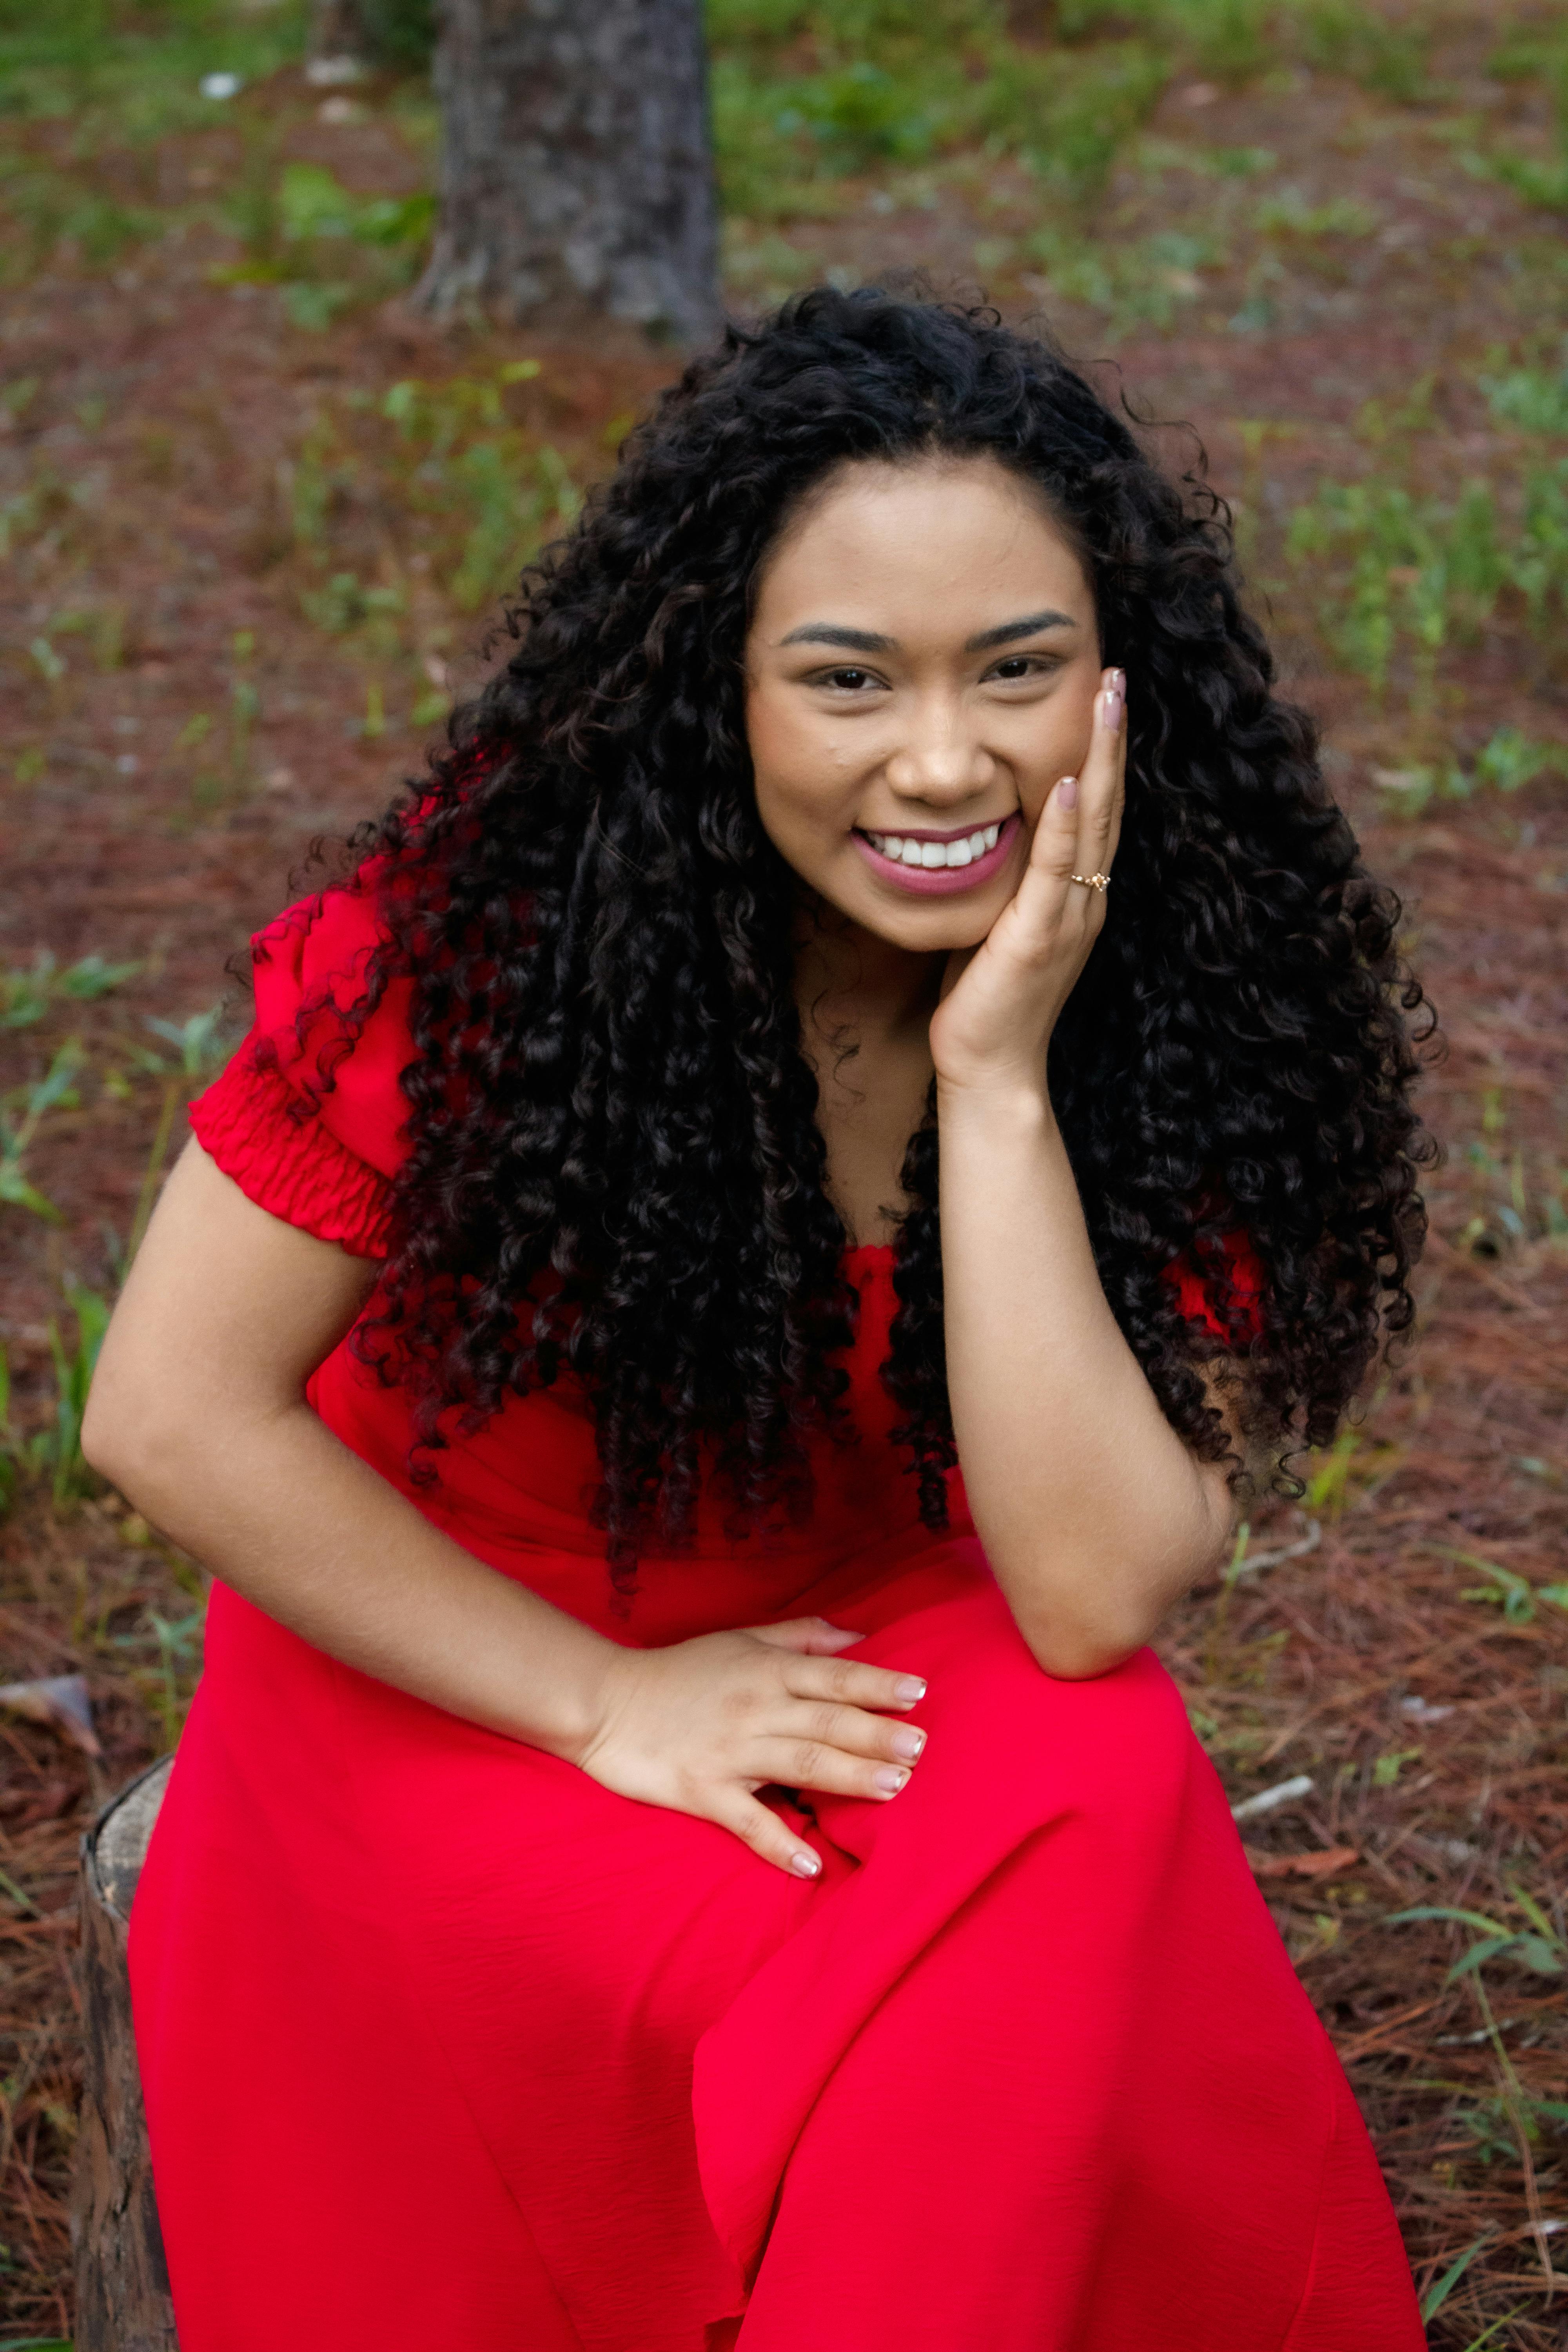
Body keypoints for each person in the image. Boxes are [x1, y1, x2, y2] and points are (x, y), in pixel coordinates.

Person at [85, 287, 1431, 2349]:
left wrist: (995, 1087)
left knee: (1095, 1773)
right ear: (718, 690)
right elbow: (169, 1412)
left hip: (863, 1640)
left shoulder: (1167, 969)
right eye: (845, 678)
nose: (946, 759)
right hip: (457, 1675)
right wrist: (607, 1703)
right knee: (1007, 1988)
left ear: (1117, 680)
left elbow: (1092, 1592)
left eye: (1020, 669)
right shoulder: (475, 953)